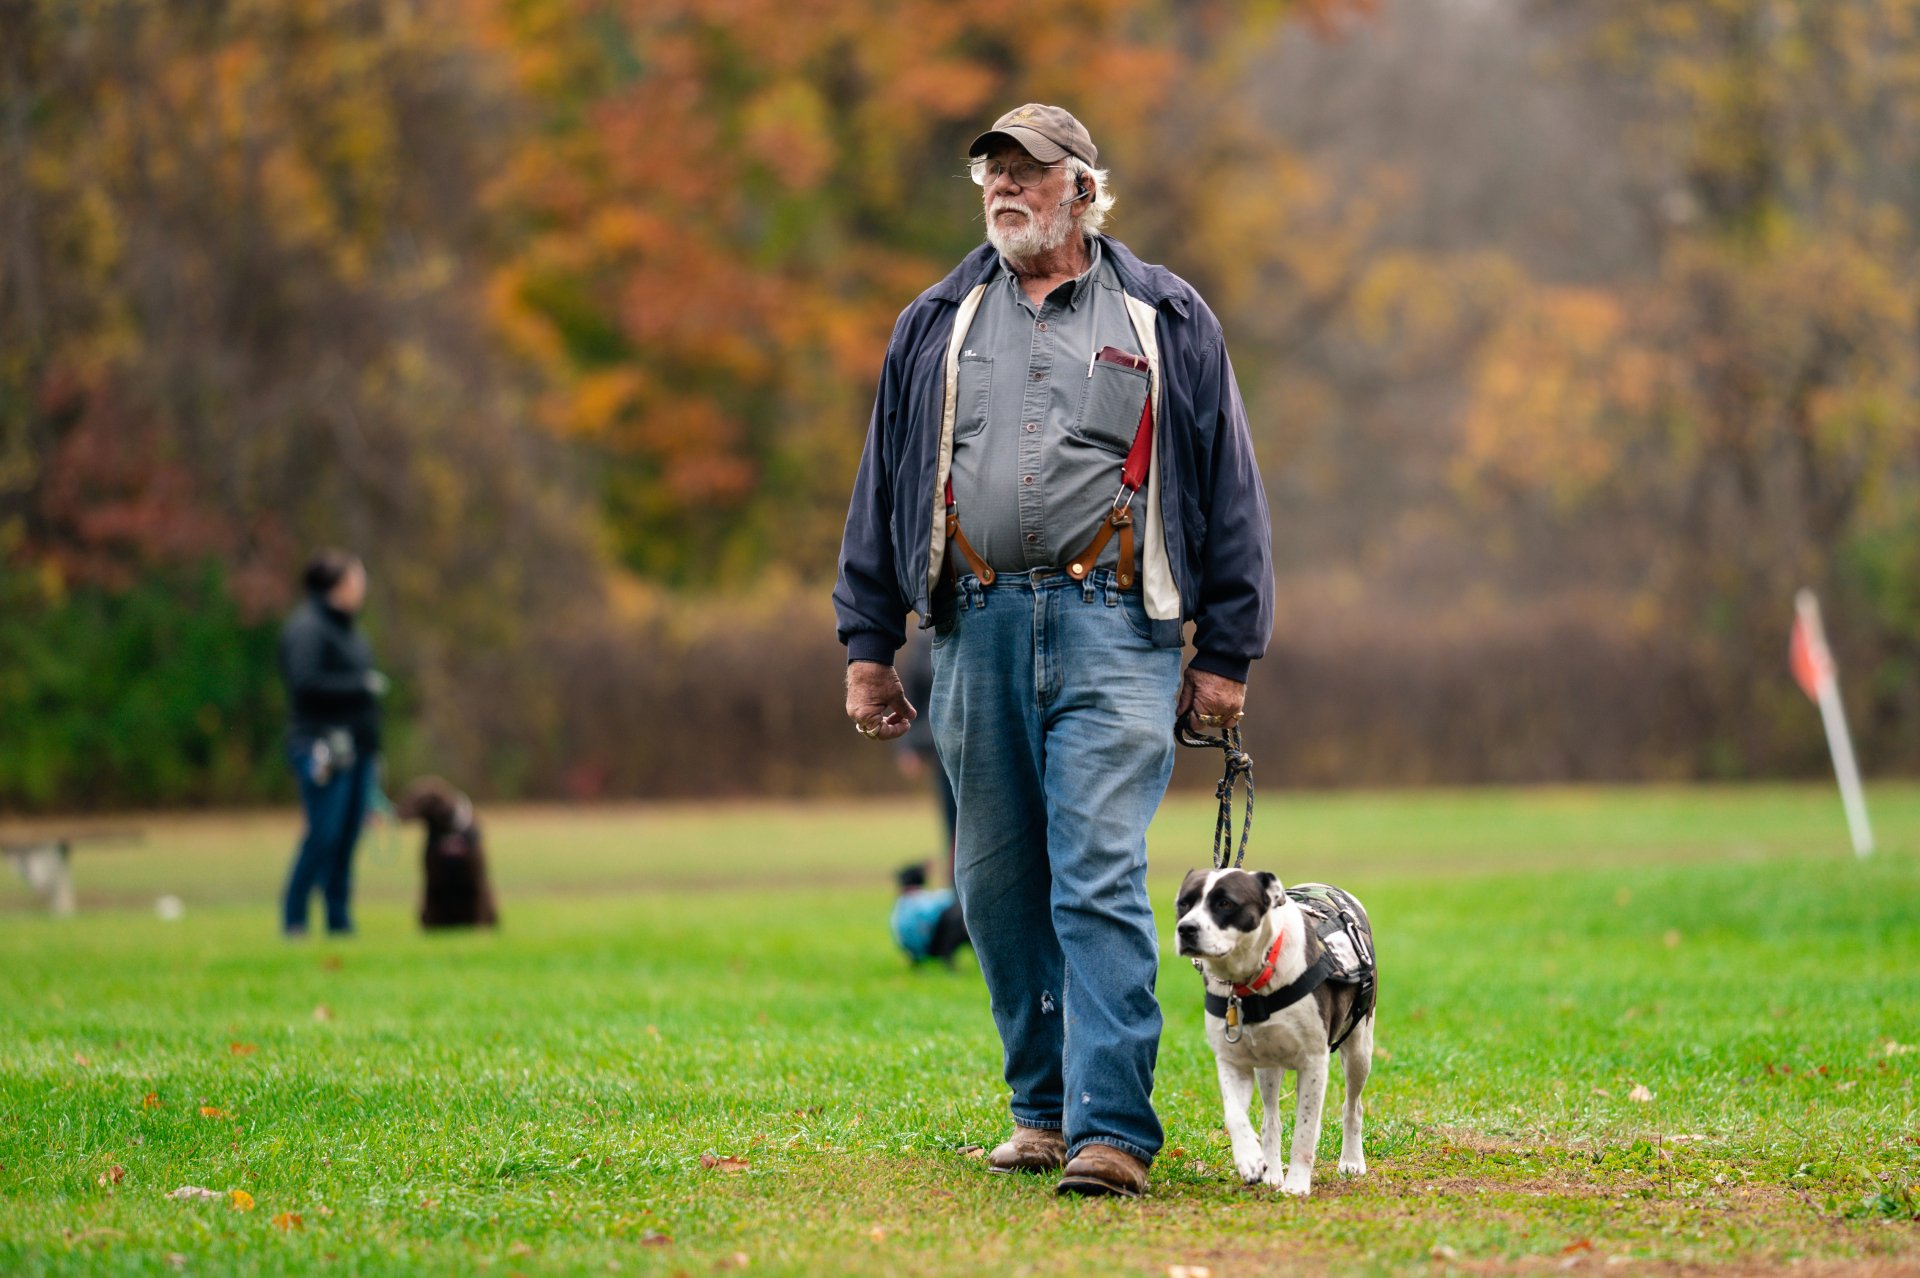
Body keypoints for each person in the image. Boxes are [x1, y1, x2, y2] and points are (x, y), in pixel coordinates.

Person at [834, 104, 1274, 1197]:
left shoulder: (1166, 314)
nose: (1006, 188)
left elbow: (1229, 487)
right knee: (992, 887)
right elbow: (882, 484)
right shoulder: (936, 318)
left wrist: (1227, 650)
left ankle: (1111, 1128)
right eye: (993, 170)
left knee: (1094, 875)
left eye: (1031, 172)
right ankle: (1040, 1110)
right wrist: (868, 641)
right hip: (972, 630)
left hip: (1117, 627)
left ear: (1084, 188)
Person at [279, 550, 387, 937]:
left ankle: (339, 920)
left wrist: (374, 751)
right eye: (356, 580)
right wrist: (360, 686)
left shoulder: (352, 630)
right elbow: (304, 684)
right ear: (336, 586)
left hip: (359, 750)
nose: (362, 588)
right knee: (322, 833)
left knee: (346, 837)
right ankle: (294, 917)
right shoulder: (307, 629)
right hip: (320, 747)